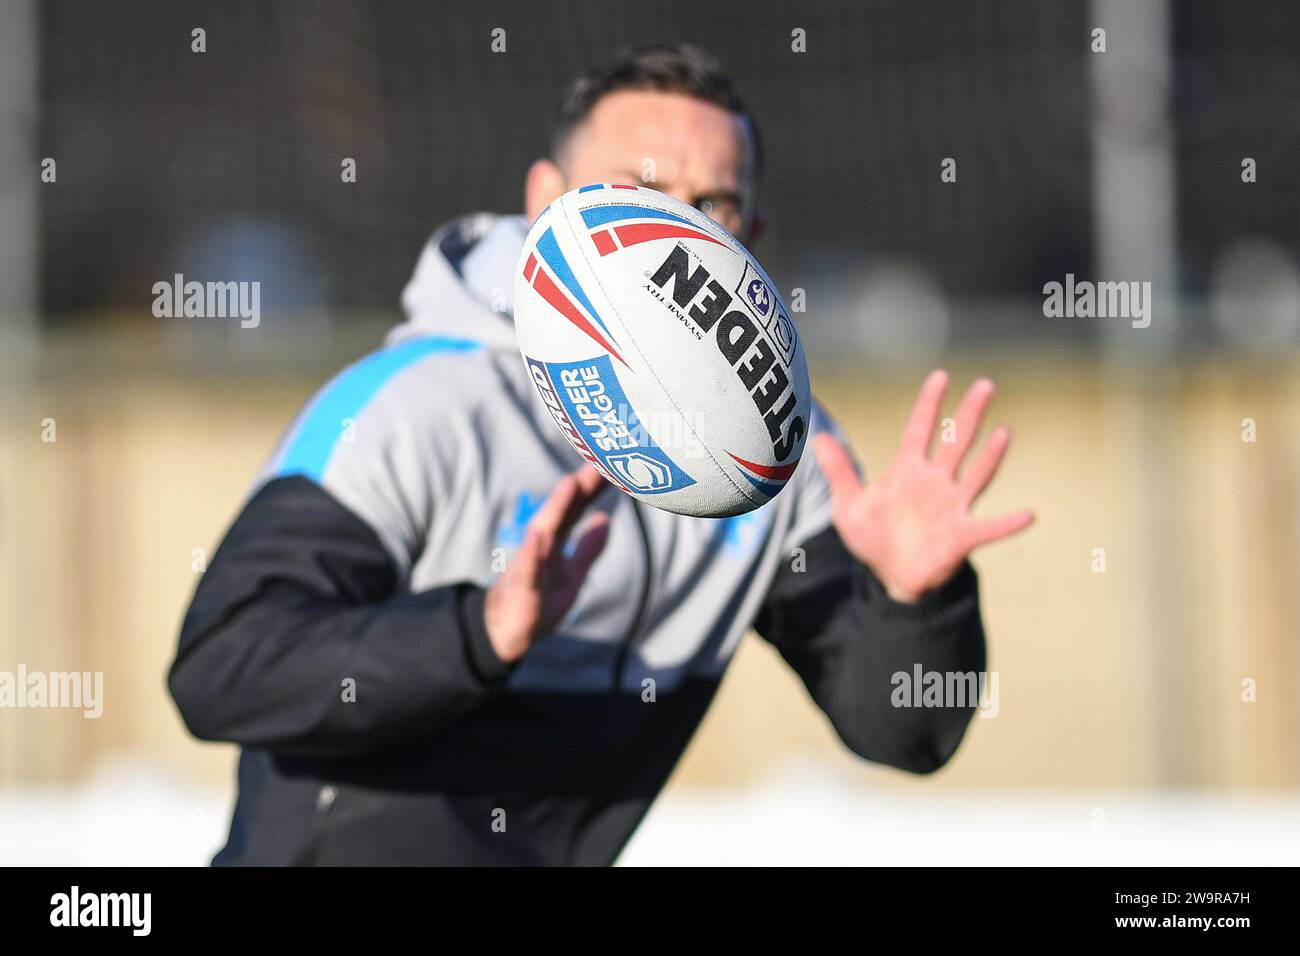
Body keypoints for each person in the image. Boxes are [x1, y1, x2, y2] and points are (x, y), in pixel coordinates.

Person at [168, 44, 1033, 866]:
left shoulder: (776, 457)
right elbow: (221, 668)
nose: (678, 228)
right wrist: (480, 633)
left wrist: (915, 603)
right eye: (641, 190)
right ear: (547, 196)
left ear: (752, 235)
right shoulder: (409, 407)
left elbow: (906, 733)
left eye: (716, 205)